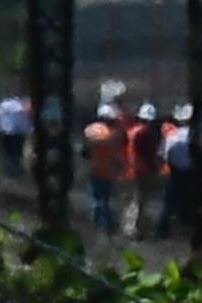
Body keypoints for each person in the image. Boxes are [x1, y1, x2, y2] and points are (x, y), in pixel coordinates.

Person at [81, 103, 127, 233]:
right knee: (105, 198)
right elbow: (120, 150)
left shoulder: (90, 130)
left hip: (93, 167)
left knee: (95, 197)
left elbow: (84, 151)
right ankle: (105, 224)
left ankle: (95, 223)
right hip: (109, 169)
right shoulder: (115, 134)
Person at [123, 103, 162, 240]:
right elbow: (149, 154)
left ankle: (130, 226)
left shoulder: (132, 131)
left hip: (131, 168)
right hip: (142, 170)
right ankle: (133, 229)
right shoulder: (145, 133)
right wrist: (155, 169)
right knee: (139, 201)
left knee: (134, 200)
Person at [157, 104, 194, 239]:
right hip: (190, 172)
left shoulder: (171, 136)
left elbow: (164, 154)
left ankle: (162, 230)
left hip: (174, 172)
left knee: (168, 203)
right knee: (190, 202)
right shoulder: (195, 136)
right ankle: (187, 229)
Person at [0, 94, 32, 178]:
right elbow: (24, 123)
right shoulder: (13, 106)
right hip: (12, 134)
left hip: (9, 133)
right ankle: (11, 174)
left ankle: (11, 172)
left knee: (12, 154)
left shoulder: (6, 104)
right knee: (13, 154)